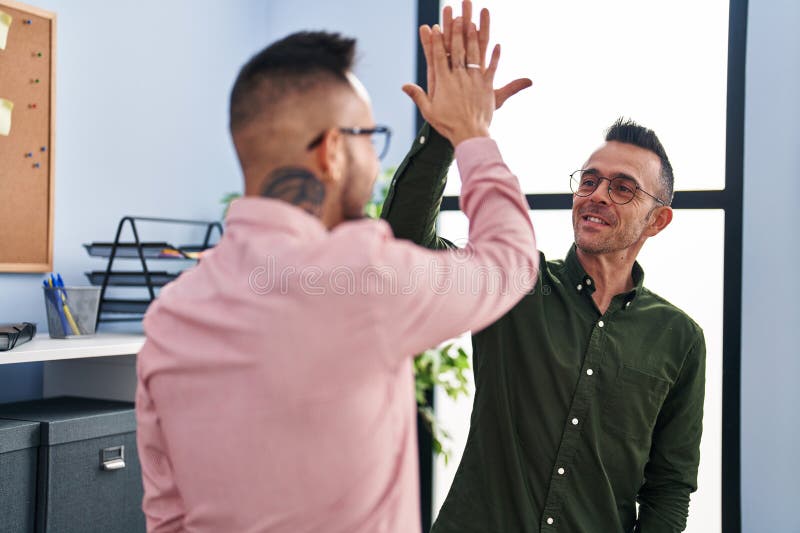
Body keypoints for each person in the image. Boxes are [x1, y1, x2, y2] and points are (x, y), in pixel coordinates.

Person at [136, 23, 538, 533]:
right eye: (369, 138)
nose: (373, 159)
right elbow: (511, 262)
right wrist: (472, 132)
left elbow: (168, 517)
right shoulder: (364, 279)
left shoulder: (169, 316)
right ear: (332, 151)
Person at [382, 6, 706, 532]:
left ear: (658, 220)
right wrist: (448, 131)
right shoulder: (514, 281)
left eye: (623, 188)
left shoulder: (680, 339)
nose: (597, 195)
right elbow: (403, 248)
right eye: (589, 180)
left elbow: (668, 489)